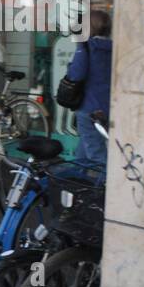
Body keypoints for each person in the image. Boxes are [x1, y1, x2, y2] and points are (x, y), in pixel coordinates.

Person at [64, 10, 113, 173]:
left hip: (88, 107)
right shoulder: (113, 48)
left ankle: (106, 192)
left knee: (96, 155)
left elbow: (76, 74)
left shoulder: (87, 47)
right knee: (83, 152)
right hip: (107, 106)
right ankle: (76, 184)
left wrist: (70, 67)